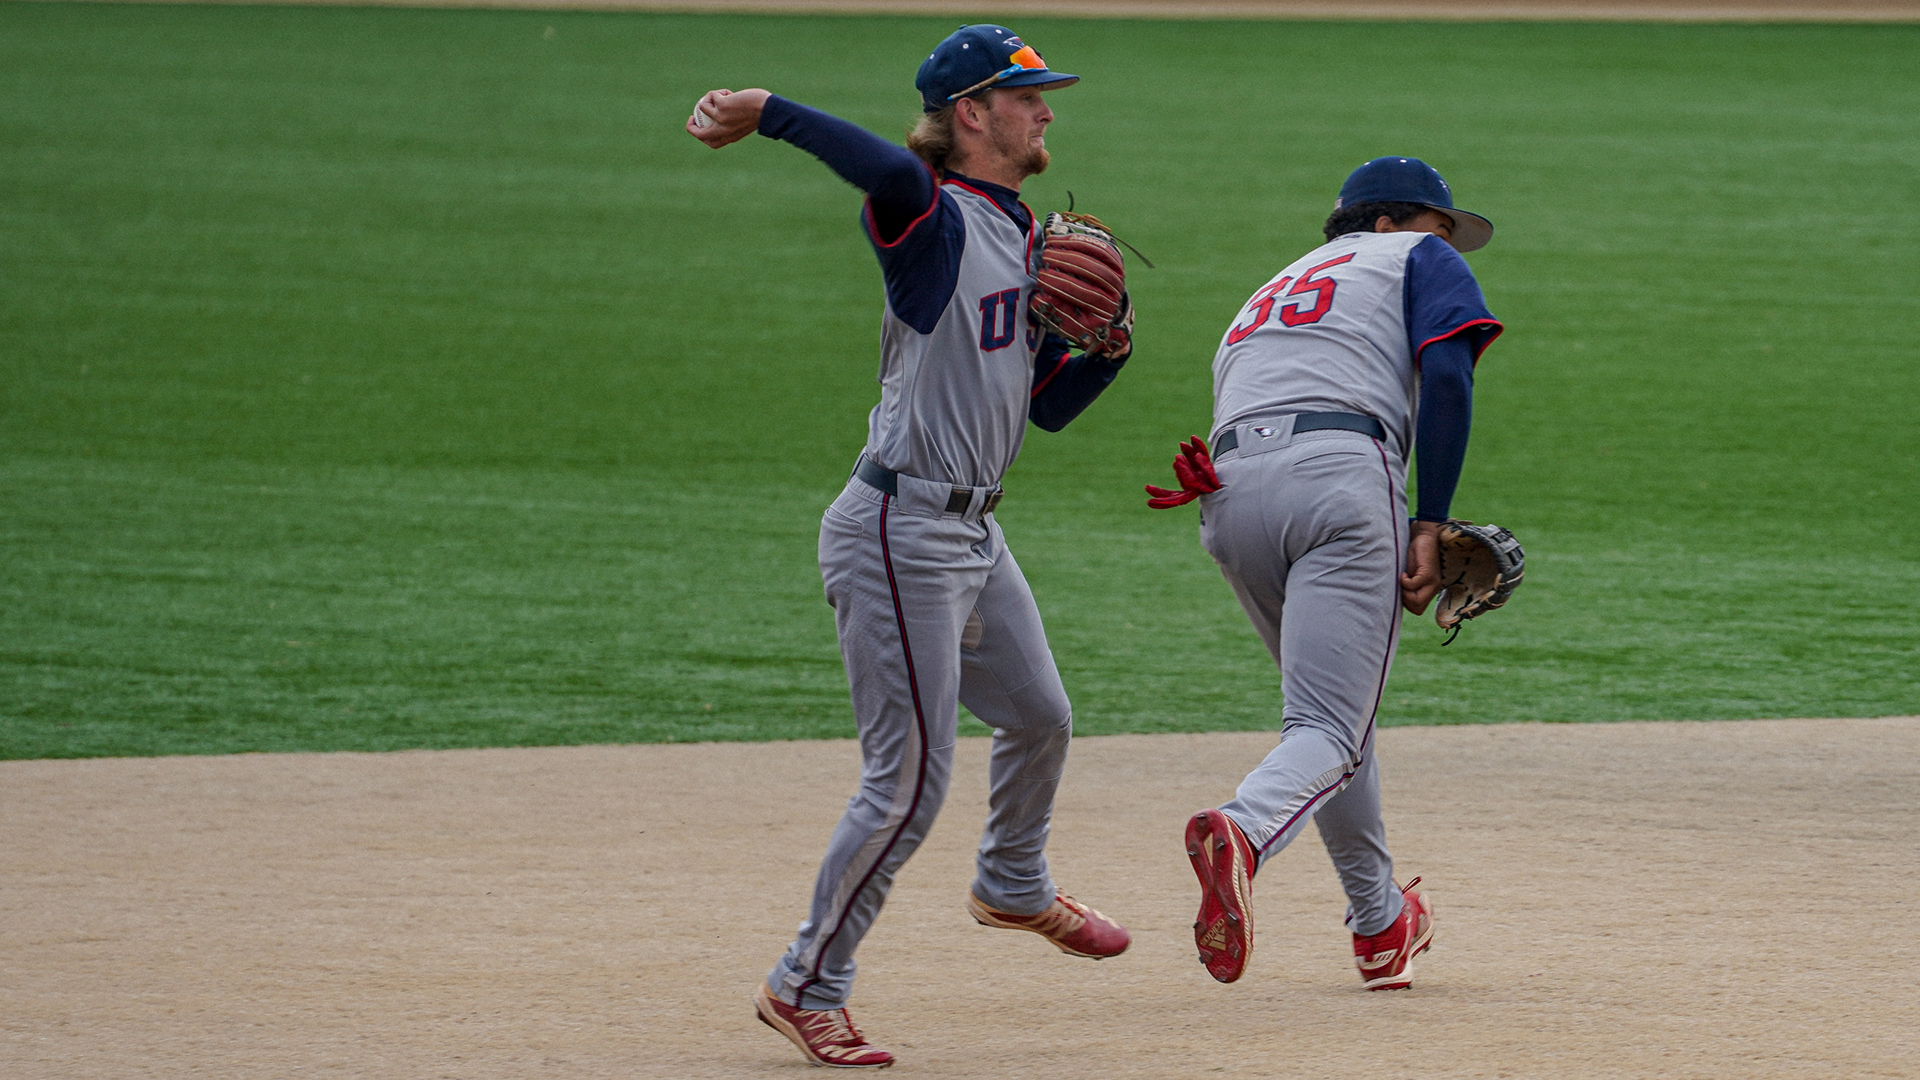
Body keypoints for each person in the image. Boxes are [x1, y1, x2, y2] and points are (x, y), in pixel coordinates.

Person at [686, 24, 1134, 1070]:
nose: (1047, 112)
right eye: (1026, 98)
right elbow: (889, 165)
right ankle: (806, 984)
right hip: (899, 530)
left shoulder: (1020, 235)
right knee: (907, 782)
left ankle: (1012, 885)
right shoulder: (925, 221)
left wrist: (1106, 352)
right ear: (971, 114)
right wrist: (770, 110)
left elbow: (1046, 409)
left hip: (973, 529)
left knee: (1040, 716)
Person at [1152, 156, 1502, 991]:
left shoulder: (1269, 289)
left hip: (1230, 496)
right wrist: (1432, 516)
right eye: (1439, 224)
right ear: (1388, 223)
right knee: (1329, 727)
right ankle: (1240, 830)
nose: (1448, 245)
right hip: (1340, 477)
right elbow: (1449, 371)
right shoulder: (1415, 256)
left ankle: (1379, 923)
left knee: (1330, 721)